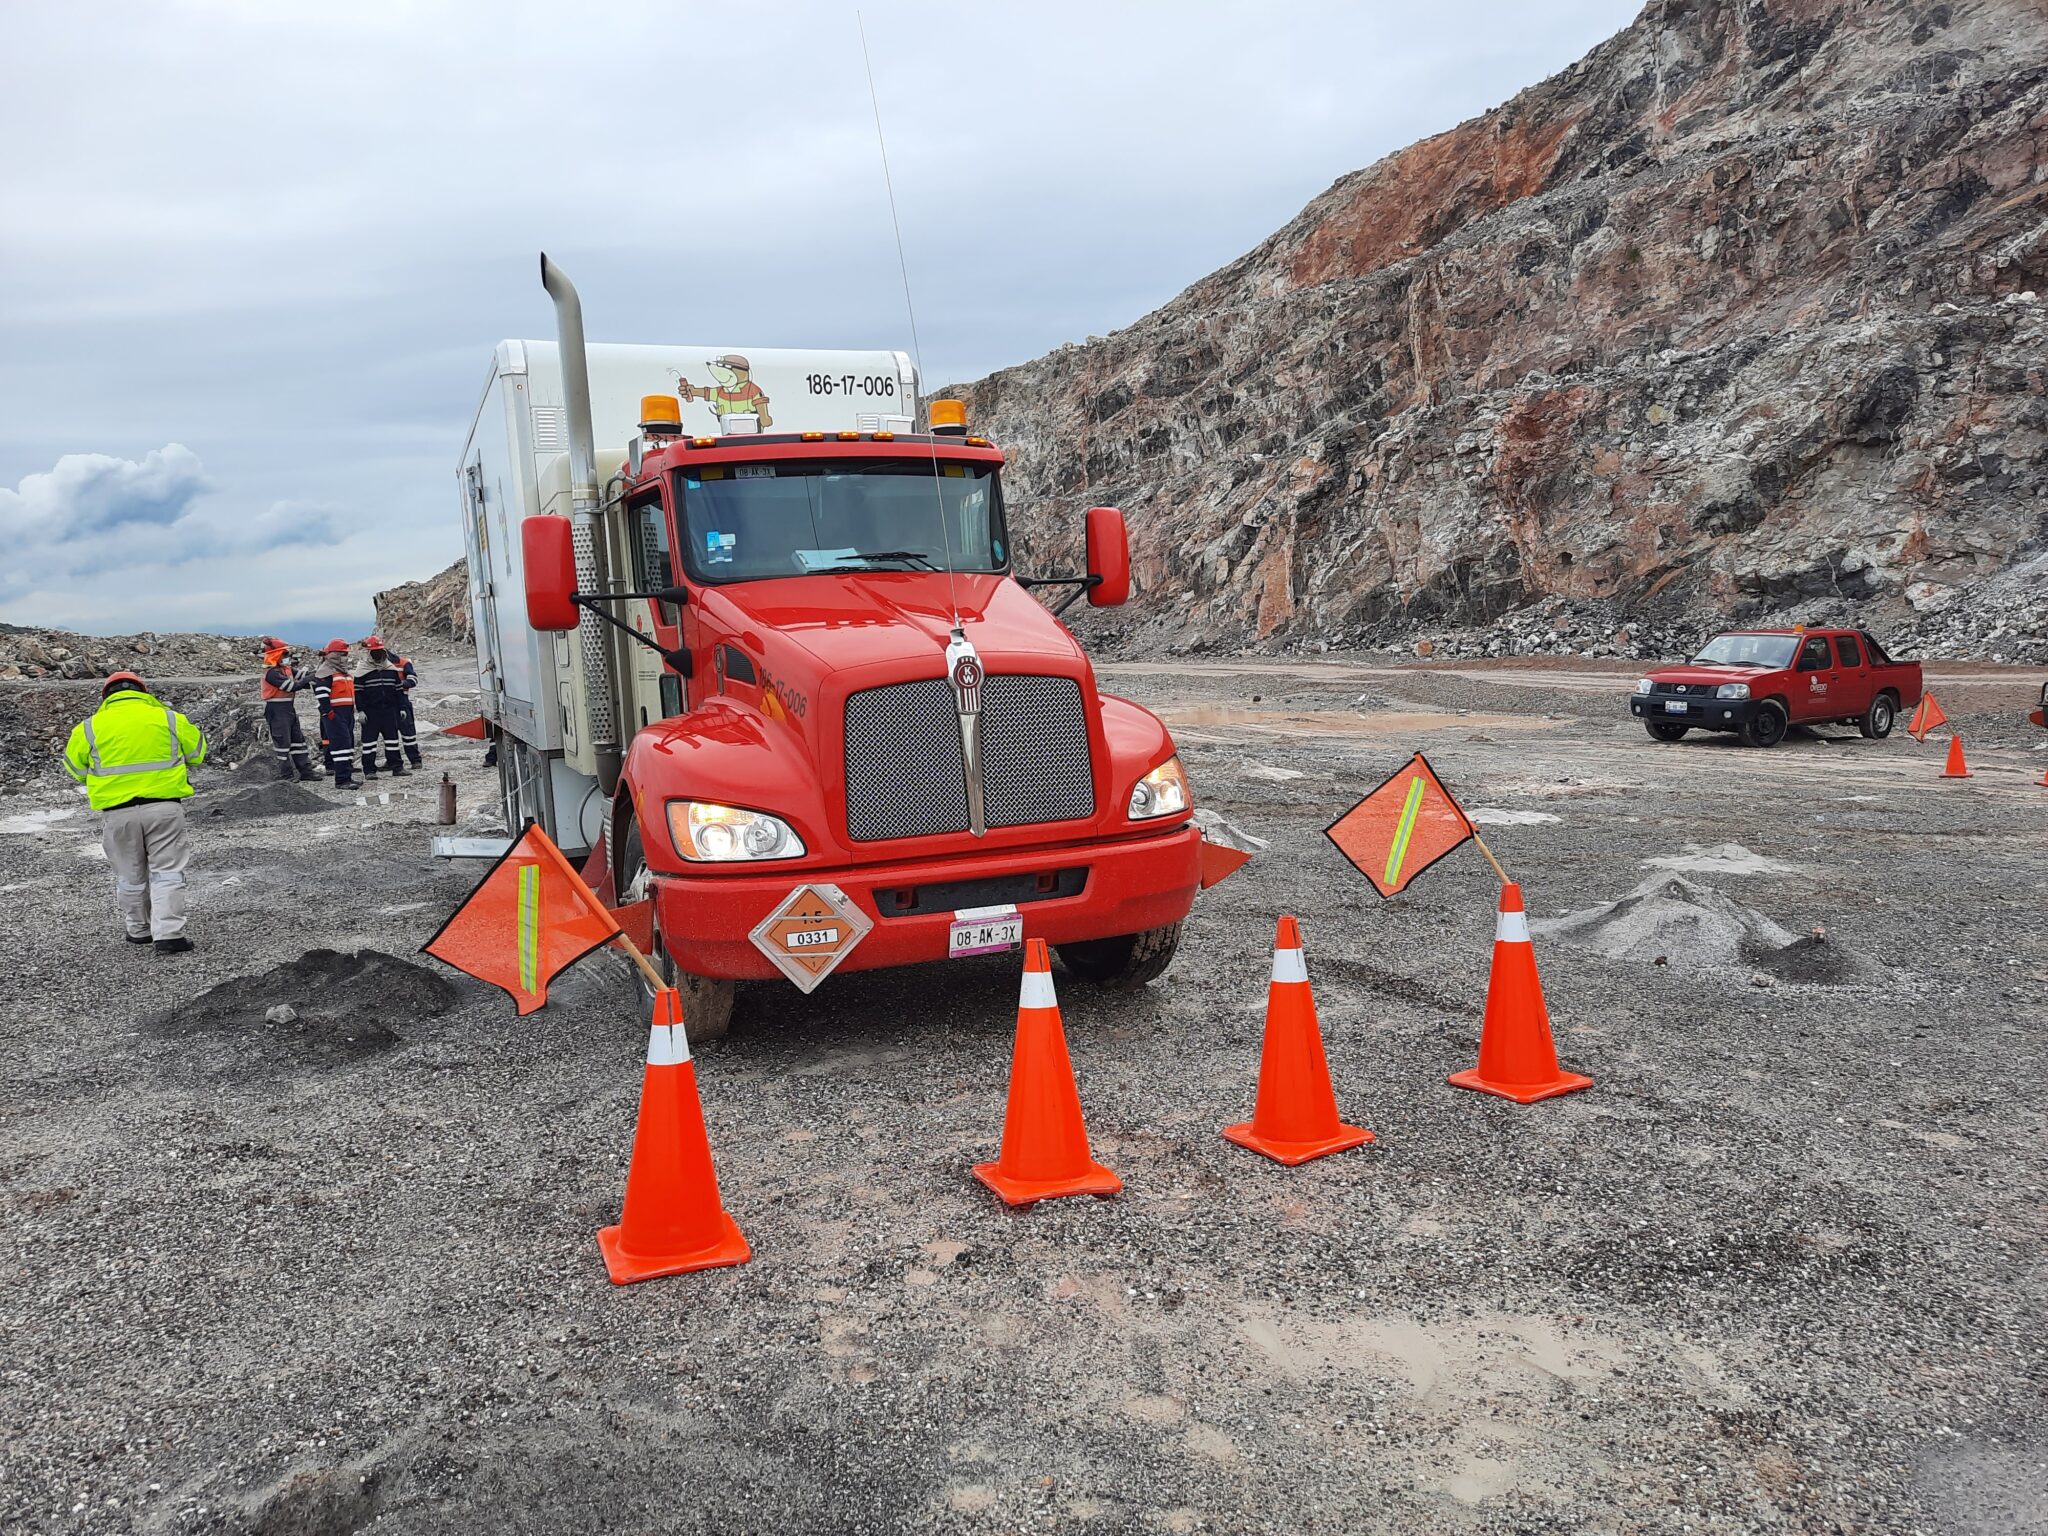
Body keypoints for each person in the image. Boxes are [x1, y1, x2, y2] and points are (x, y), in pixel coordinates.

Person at [62, 672, 209, 954]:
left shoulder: (89, 727)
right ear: (144, 691)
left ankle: (139, 930)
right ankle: (168, 935)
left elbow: (75, 769)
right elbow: (198, 753)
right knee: (167, 872)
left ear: (106, 696)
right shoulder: (168, 718)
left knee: (130, 875)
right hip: (164, 807)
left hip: (117, 812)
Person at [259, 638, 318, 782]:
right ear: (276, 655)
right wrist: (309, 678)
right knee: (283, 743)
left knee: (298, 741)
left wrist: (318, 672)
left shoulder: (286, 669)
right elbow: (291, 686)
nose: (287, 657)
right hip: (277, 710)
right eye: (284, 654)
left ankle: (306, 772)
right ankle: (286, 775)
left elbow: (302, 677)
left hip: (288, 708)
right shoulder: (272, 673)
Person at [355, 636, 410, 778]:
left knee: (392, 741)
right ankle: (369, 771)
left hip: (390, 710)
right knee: (369, 744)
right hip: (370, 712)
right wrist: (360, 711)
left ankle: (397, 768)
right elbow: (358, 692)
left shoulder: (391, 669)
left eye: (379, 651)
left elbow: (398, 690)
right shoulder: (362, 670)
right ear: (369, 652)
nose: (377, 654)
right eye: (374, 651)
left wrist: (402, 708)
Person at [312, 642, 361, 789]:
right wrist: (329, 713)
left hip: (346, 714)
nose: (346, 657)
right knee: (340, 746)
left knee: (347, 745)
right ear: (334, 655)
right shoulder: (325, 672)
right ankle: (341, 780)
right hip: (336, 714)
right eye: (343, 654)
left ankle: (347, 776)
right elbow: (321, 695)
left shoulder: (342, 672)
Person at [393, 649, 424, 768]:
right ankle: (392, 761)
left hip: (402, 700)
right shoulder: (377, 665)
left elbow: (413, 680)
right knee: (390, 735)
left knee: (408, 733)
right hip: (387, 703)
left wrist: (402, 684)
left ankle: (415, 760)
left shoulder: (404, 663)